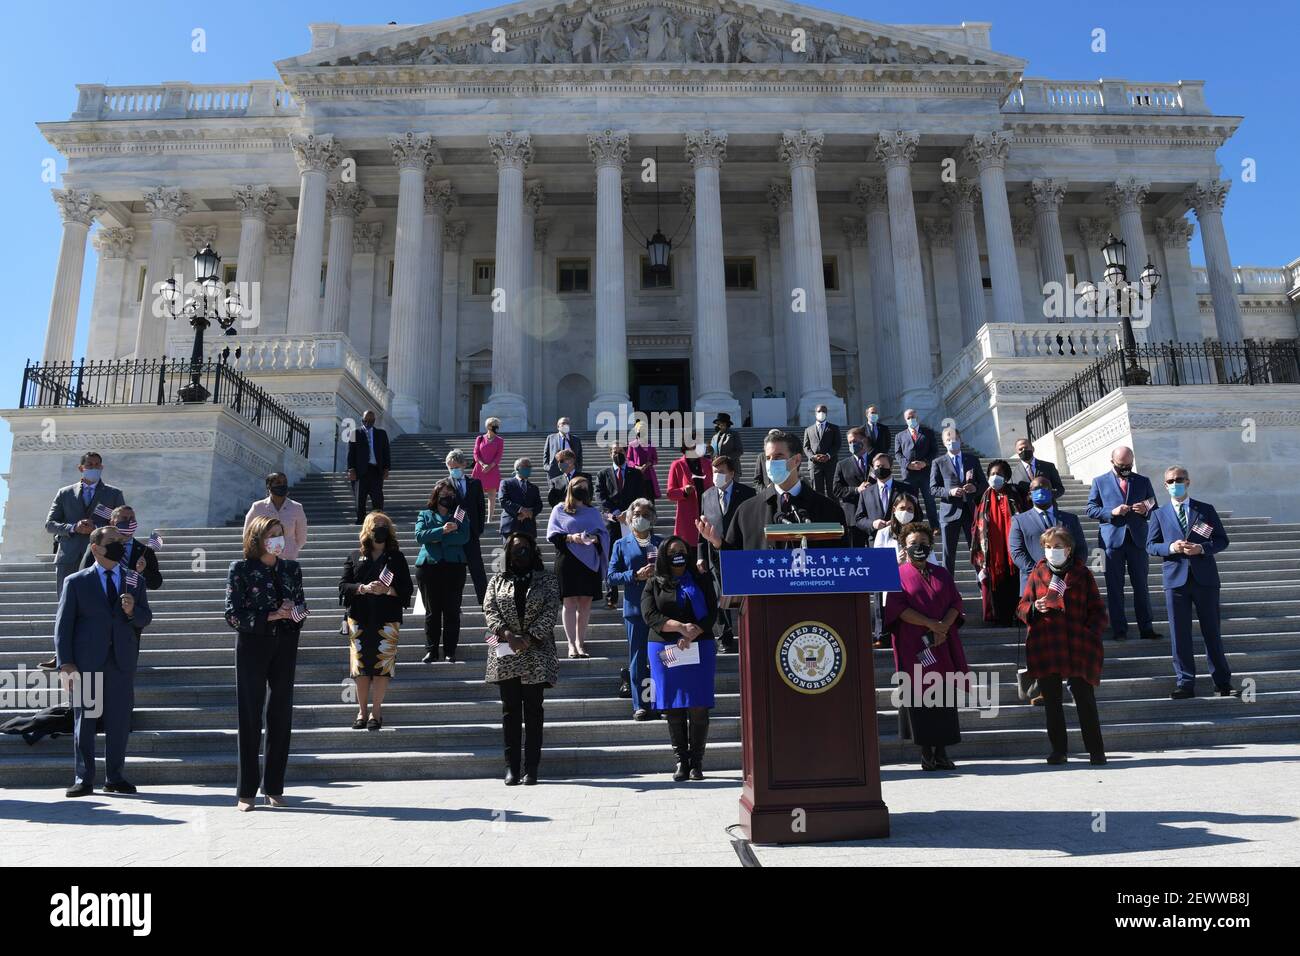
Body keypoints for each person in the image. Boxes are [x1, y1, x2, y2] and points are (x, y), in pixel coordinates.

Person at [55, 526, 153, 797]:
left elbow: (145, 618)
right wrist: (66, 663)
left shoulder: (134, 580)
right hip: (86, 663)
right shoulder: (76, 581)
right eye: (112, 541)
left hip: (121, 661)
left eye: (121, 541)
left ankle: (115, 777)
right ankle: (83, 778)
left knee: (119, 722)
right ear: (96, 547)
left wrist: (133, 610)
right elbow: (63, 625)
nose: (119, 545)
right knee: (84, 722)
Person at [223, 515, 307, 811]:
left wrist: (291, 613)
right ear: (258, 537)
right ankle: (246, 792)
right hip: (252, 644)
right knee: (249, 715)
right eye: (272, 533)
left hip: (285, 644)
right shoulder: (241, 569)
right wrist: (268, 616)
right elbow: (232, 613)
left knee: (281, 714)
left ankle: (274, 787)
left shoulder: (291, 568)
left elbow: (302, 608)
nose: (278, 539)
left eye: (280, 533)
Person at [1016, 525, 1108, 765]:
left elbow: (1098, 610)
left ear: (1068, 549)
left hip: (1078, 644)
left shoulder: (1083, 573)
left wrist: (1090, 634)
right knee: (1052, 702)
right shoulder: (1037, 574)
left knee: (1084, 698)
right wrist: (1036, 607)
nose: (1052, 551)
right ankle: (1059, 751)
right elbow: (1022, 607)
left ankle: (1096, 751)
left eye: (1057, 546)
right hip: (1047, 643)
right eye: (1048, 547)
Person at [882, 523, 968, 771]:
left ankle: (942, 752)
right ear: (904, 547)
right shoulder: (898, 574)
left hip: (942, 643)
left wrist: (943, 627)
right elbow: (897, 610)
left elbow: (956, 602)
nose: (918, 547)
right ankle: (926, 752)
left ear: (930, 545)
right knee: (920, 696)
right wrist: (931, 624)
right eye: (912, 543)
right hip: (915, 646)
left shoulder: (941, 573)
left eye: (923, 542)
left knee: (943, 696)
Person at [1146, 466, 1235, 699]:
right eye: (1171, 481)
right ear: (1165, 486)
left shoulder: (1205, 510)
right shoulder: (1158, 514)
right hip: (1176, 581)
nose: (1175, 483)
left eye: (1180, 479)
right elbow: (1150, 545)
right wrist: (1170, 548)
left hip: (1205, 579)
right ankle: (1185, 682)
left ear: (1188, 482)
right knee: (1179, 633)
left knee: (1212, 632)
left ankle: (1222, 682)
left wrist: (1201, 549)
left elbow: (1221, 540)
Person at [484, 532, 560, 785]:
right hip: (506, 653)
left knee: (534, 711)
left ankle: (532, 768)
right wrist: (507, 634)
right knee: (510, 712)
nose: (521, 552)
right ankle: (511, 768)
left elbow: (551, 610)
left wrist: (529, 637)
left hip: (536, 652)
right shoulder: (497, 580)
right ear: (507, 552)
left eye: (525, 547)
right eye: (516, 548)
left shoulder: (547, 579)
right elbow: (490, 609)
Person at [641, 535, 719, 781]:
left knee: (698, 706)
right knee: (673, 706)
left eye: (683, 550)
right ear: (664, 554)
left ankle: (696, 763)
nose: (679, 554)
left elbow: (712, 610)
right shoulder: (654, 581)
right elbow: (649, 615)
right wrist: (678, 627)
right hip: (665, 648)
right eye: (674, 551)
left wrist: (693, 630)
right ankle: (681, 762)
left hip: (699, 645)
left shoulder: (700, 578)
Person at [697, 429, 846, 552]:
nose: (771, 463)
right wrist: (718, 545)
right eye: (768, 458)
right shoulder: (746, 511)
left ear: (796, 460)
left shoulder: (829, 510)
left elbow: (843, 566)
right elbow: (735, 562)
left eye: (778, 457)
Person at [339, 511, 414, 729]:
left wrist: (388, 591)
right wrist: (362, 588)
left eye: (384, 525)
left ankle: (376, 711)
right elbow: (343, 585)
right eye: (375, 524)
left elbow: (407, 589)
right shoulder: (354, 555)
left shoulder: (397, 557)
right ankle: (361, 711)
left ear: (389, 530)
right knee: (361, 666)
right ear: (367, 529)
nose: (379, 528)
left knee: (382, 666)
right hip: (359, 617)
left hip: (387, 618)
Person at [44, 451, 125, 646]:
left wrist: (97, 530)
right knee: (65, 606)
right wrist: (73, 527)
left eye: (97, 465)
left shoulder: (113, 494)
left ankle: (95, 647)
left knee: (97, 604)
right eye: (89, 465)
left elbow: (121, 526)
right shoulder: (65, 493)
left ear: (102, 468)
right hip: (69, 557)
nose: (94, 468)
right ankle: (61, 652)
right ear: (81, 468)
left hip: (100, 558)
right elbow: (50, 524)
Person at [1086, 445, 1161, 642]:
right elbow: (1091, 509)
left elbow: (1154, 506)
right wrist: (1112, 512)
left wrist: (1145, 509)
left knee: (1141, 586)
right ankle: (1119, 629)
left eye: (1129, 464)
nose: (1126, 468)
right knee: (1114, 587)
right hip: (1110, 542)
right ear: (1113, 463)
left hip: (1137, 540)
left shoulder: (1143, 481)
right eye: (1121, 465)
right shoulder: (1099, 481)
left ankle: (1146, 627)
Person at [607, 498, 663, 718]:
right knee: (638, 657)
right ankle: (639, 704)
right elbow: (611, 577)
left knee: (661, 656)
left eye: (646, 514)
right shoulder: (621, 545)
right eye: (637, 514)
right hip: (634, 609)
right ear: (630, 518)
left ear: (653, 518)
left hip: (660, 609)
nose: (641, 518)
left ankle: (662, 702)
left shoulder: (660, 543)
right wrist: (635, 575)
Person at [696, 454, 755, 653]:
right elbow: (702, 527)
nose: (717, 476)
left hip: (739, 553)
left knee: (742, 596)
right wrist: (700, 555)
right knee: (718, 595)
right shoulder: (707, 495)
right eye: (714, 472)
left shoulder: (748, 493)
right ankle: (725, 636)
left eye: (721, 472)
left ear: (731, 473)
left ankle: (748, 633)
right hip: (715, 555)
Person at [546, 474, 609, 659]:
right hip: (568, 561)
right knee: (570, 602)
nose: (583, 489)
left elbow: (603, 535)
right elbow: (553, 535)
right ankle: (571, 644)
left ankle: (581, 643)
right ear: (571, 488)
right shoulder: (559, 509)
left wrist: (595, 538)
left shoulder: (593, 511)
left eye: (585, 486)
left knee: (585, 603)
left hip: (589, 563)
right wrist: (571, 538)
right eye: (578, 486)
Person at [872, 493, 940, 648]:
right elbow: (878, 565)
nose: (906, 512)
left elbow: (933, 562)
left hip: (917, 587)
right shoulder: (884, 533)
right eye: (902, 508)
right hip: (894, 588)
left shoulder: (921, 533)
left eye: (910, 509)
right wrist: (896, 562)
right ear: (894, 509)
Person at [414, 479, 470, 663]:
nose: (448, 497)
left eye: (451, 494)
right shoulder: (425, 514)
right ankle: (431, 650)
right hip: (429, 567)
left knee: (452, 611)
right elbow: (420, 536)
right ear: (436, 496)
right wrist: (442, 531)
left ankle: (450, 650)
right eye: (444, 494)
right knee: (432, 612)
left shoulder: (460, 514)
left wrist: (439, 538)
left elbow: (464, 537)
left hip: (454, 566)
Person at [969, 459, 1021, 625]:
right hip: (992, 552)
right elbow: (976, 526)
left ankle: (1017, 613)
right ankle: (998, 616)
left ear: (1006, 477)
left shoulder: (1015, 495)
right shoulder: (982, 498)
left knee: (1015, 582)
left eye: (999, 474)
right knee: (996, 584)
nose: (995, 477)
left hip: (1013, 550)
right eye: (992, 474)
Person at [597, 442, 649, 608]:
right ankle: (611, 596)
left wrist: (628, 512)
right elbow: (601, 496)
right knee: (611, 557)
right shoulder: (603, 474)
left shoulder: (635, 474)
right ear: (609, 454)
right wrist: (615, 512)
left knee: (634, 555)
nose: (617, 454)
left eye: (620, 451)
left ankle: (636, 593)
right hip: (611, 522)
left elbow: (641, 494)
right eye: (614, 451)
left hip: (631, 521)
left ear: (626, 453)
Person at [930, 426, 987, 573]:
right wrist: (950, 491)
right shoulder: (938, 462)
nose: (952, 442)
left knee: (976, 551)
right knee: (948, 554)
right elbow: (933, 488)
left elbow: (984, 484)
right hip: (949, 513)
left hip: (970, 512)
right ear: (944, 442)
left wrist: (975, 488)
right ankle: (948, 590)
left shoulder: (972, 460)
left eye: (955, 438)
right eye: (948, 439)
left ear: (960, 440)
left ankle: (983, 585)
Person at [1010, 476, 1087, 578]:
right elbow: (1017, 552)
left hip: (1068, 579)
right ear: (1029, 494)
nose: (1041, 492)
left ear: (1052, 492)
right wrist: (1039, 572)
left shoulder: (1071, 519)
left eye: (1045, 488)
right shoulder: (1019, 521)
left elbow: (1081, 548)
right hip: (1034, 580)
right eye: (1036, 489)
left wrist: (1072, 570)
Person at [78, 505, 163, 591]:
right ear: (112, 523)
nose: (129, 522)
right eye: (124, 518)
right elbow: (83, 574)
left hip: (131, 601)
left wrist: (142, 571)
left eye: (132, 519)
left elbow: (156, 583)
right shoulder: (99, 546)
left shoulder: (145, 551)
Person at [446, 449, 488, 606]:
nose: (453, 470)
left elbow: (481, 508)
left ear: (463, 465)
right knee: (454, 572)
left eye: (456, 467)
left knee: (477, 569)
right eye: (450, 467)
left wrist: (479, 529)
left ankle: (485, 603)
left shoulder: (475, 483)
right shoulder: (443, 484)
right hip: (453, 535)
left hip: (471, 533)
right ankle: (453, 603)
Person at [854, 451, 920, 547]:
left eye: (883, 466)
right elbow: (859, 518)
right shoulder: (865, 493)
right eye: (877, 466)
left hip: (902, 541)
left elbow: (918, 515)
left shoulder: (907, 489)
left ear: (891, 467)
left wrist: (899, 521)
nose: (880, 469)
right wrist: (873, 524)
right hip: (876, 542)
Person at [243, 472, 308, 559]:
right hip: (263, 558)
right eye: (278, 483)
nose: (282, 485)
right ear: (268, 486)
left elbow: (302, 537)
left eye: (284, 483)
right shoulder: (257, 507)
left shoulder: (297, 508)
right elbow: (247, 533)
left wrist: (292, 549)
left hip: (288, 558)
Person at [893, 409, 939, 527]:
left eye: (912, 417)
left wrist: (925, 462)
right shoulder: (899, 436)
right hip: (909, 475)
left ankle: (934, 526)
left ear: (917, 417)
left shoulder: (928, 432)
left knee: (929, 501)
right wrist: (907, 464)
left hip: (926, 473)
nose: (911, 419)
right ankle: (912, 526)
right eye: (908, 418)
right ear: (905, 419)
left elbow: (934, 451)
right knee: (910, 501)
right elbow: (898, 454)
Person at [347, 409, 390, 525]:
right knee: (360, 498)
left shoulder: (381, 434)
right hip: (360, 472)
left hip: (376, 470)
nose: (368, 424)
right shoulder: (354, 433)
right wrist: (351, 469)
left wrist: (387, 468)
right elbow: (351, 453)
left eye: (370, 421)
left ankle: (378, 520)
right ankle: (361, 520)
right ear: (362, 420)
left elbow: (386, 452)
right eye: (365, 421)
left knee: (378, 498)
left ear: (374, 421)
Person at [833, 428, 875, 546]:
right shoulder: (842, 465)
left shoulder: (876, 462)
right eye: (850, 442)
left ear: (864, 440)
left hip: (874, 515)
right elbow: (836, 490)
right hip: (853, 516)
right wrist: (856, 490)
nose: (852, 445)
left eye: (854, 441)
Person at [666, 441, 713, 546]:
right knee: (689, 547)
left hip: (708, 511)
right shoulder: (677, 465)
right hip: (688, 516)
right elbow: (670, 493)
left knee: (709, 545)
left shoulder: (708, 463)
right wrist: (684, 491)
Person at [1010, 437, 1064, 509]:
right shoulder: (1013, 474)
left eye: (1026, 447)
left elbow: (1060, 489)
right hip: (1028, 513)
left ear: (1032, 449)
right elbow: (1014, 496)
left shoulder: (1048, 467)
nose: (1024, 450)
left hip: (1049, 509)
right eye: (1020, 449)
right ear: (1017, 452)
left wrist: (1046, 495)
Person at [802, 403, 841, 497]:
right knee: (817, 491)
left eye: (824, 411)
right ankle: (819, 511)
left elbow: (837, 444)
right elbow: (806, 447)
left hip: (830, 463)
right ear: (815, 413)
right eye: (819, 411)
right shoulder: (808, 430)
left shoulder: (834, 428)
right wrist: (813, 456)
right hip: (815, 464)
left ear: (827, 413)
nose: (821, 413)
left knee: (832, 490)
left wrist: (828, 455)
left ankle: (833, 510)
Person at [499, 457, 543, 540]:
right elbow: (503, 501)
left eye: (530, 467)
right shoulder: (506, 483)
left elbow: (539, 505)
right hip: (510, 526)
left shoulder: (534, 488)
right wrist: (520, 509)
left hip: (529, 528)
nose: (528, 469)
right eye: (525, 466)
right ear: (517, 469)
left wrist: (530, 513)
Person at [472, 417, 505, 524]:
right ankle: (478, 517)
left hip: (493, 469)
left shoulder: (500, 440)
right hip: (480, 469)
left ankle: (489, 519)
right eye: (493, 425)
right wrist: (482, 464)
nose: (495, 427)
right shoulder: (480, 438)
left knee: (492, 496)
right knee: (477, 495)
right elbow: (476, 453)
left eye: (496, 425)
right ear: (488, 426)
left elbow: (499, 456)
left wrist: (490, 466)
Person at [627, 420, 661, 499]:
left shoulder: (651, 444)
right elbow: (629, 460)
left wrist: (649, 463)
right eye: (640, 430)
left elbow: (655, 459)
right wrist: (636, 467)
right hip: (636, 475)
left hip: (649, 476)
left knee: (650, 500)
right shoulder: (632, 445)